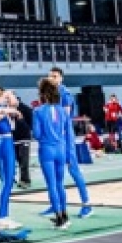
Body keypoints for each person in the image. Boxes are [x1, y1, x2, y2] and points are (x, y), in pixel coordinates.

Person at [46, 67, 92, 218]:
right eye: (50, 76)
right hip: (55, 137)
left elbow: (64, 118)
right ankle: (55, 205)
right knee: (55, 172)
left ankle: (87, 204)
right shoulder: (49, 95)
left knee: (73, 170)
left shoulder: (65, 94)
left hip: (65, 136)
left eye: (55, 76)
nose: (51, 78)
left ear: (61, 78)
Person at [33, 77, 73, 230]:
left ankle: (59, 218)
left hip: (47, 150)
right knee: (60, 184)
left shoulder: (38, 111)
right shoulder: (62, 110)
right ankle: (65, 215)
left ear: (42, 94)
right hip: (61, 149)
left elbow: (36, 134)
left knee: (51, 185)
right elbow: (65, 131)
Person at [0, 85, 23, 231]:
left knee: (5, 182)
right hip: (5, 143)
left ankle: (4, 216)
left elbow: (12, 104)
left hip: (0, 142)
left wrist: (9, 98)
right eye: (2, 96)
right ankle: (2, 216)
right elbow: (2, 111)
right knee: (8, 181)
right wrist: (13, 110)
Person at [8, 91, 33, 190]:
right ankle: (17, 178)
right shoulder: (8, 110)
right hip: (14, 138)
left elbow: (30, 126)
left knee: (24, 161)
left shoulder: (26, 109)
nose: (8, 102)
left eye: (9, 100)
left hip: (24, 138)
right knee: (17, 160)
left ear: (16, 98)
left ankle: (25, 180)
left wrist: (20, 119)